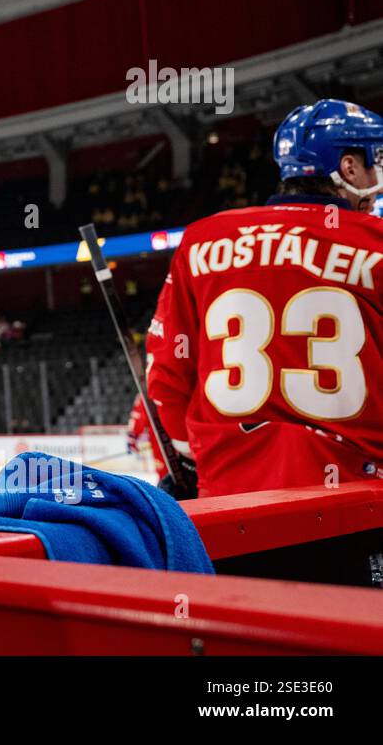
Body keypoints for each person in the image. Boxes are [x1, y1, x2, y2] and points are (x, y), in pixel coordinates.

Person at [147, 100, 383, 497]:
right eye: (376, 160)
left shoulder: (202, 239)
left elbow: (167, 379)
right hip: (356, 506)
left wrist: (190, 462)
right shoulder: (374, 242)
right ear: (349, 168)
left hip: (228, 505)